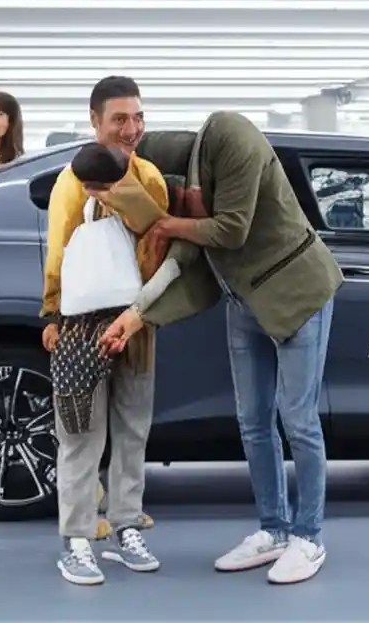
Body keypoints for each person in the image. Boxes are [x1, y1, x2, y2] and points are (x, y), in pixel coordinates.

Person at [99, 111, 343, 585]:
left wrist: (168, 225)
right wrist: (98, 161)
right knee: (253, 422)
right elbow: (139, 159)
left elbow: (231, 229)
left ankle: (309, 536)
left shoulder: (233, 135)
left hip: (297, 292)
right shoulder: (181, 162)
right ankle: (274, 529)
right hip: (244, 299)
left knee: (298, 419)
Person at [40, 76, 167, 586]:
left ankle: (126, 525)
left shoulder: (149, 176)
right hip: (81, 325)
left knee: (133, 429)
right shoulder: (72, 183)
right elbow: (58, 250)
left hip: (136, 321)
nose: (131, 128)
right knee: (81, 433)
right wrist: (52, 314)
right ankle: (76, 538)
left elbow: (159, 242)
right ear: (95, 122)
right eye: (119, 119)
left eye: (138, 117)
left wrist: (147, 313)